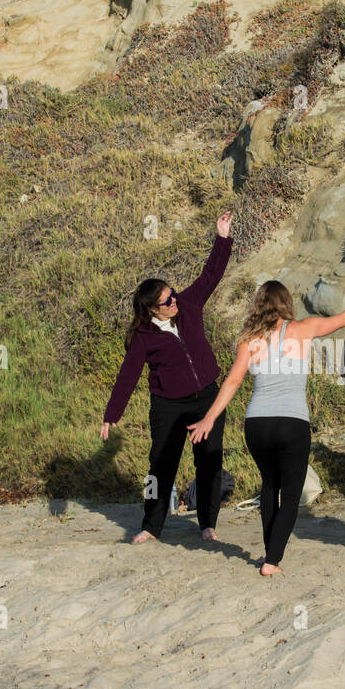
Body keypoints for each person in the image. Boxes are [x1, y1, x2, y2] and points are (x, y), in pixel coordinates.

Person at [188, 279, 345, 576]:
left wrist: (209, 418)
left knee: (270, 485)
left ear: (258, 304)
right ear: (287, 303)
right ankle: (272, 560)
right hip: (291, 422)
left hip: (257, 423)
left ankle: (270, 552)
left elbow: (232, 382)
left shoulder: (250, 339)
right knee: (291, 492)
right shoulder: (303, 328)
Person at [101, 211, 234, 545]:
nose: (174, 301)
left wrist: (222, 238)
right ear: (152, 310)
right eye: (166, 301)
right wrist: (111, 415)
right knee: (159, 467)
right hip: (167, 406)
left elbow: (211, 275)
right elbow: (127, 376)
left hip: (207, 397)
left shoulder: (189, 304)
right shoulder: (144, 335)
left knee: (209, 462)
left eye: (172, 294)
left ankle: (208, 523)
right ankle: (150, 525)